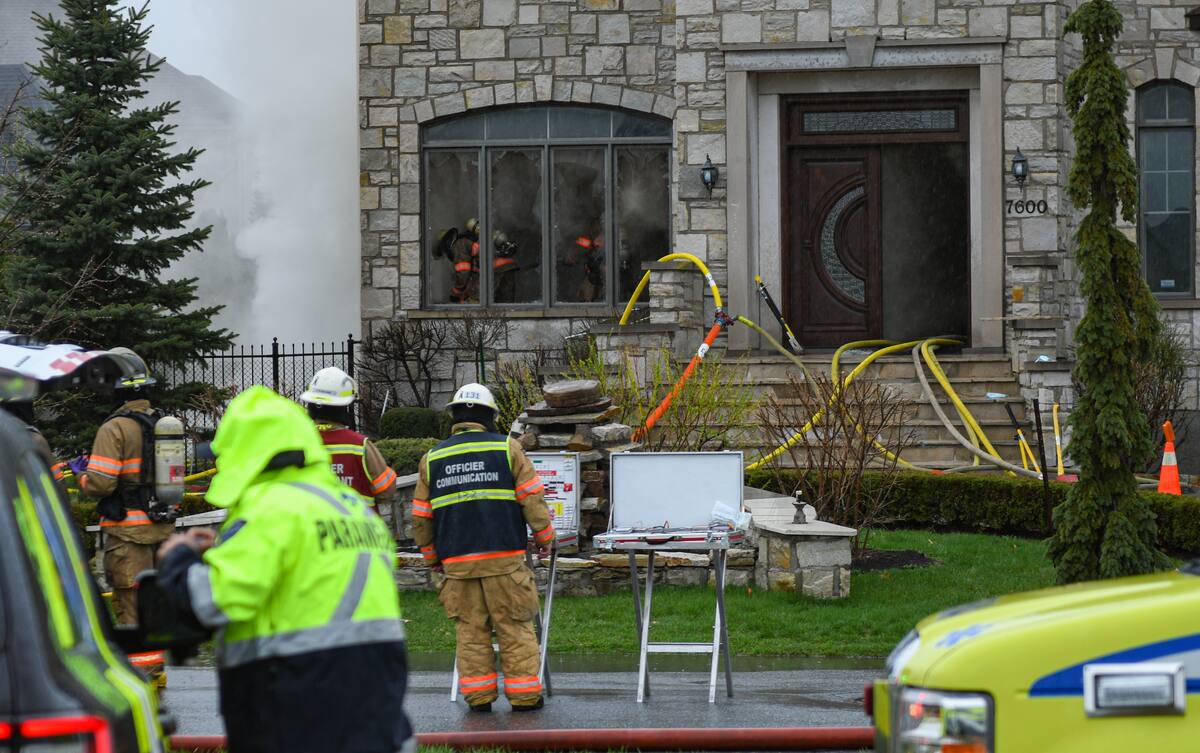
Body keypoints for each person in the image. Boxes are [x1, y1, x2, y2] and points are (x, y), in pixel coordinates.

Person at [156, 386, 414, 753]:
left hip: (298, 714)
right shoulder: (351, 509)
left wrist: (178, 559)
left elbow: (213, 601)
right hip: (377, 716)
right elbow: (312, 578)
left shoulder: (270, 509)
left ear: (242, 450)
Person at [412, 383, 555, 712]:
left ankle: (478, 698)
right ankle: (524, 698)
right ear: (490, 416)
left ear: (455, 417)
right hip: (505, 562)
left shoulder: (433, 458)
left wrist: (434, 559)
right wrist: (545, 538)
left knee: (471, 632)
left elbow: (421, 519)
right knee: (515, 627)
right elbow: (532, 499)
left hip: (457, 566)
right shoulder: (508, 449)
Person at [81, 348, 175, 628]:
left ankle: (143, 672)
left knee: (132, 616)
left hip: (127, 537)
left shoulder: (114, 429)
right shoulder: (162, 423)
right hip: (161, 530)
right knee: (155, 613)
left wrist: (83, 478)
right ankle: (157, 672)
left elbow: (102, 482)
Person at [299, 366, 397, 509]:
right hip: (358, 528)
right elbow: (386, 490)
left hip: (312, 530)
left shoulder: (297, 444)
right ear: (344, 405)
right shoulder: (360, 445)